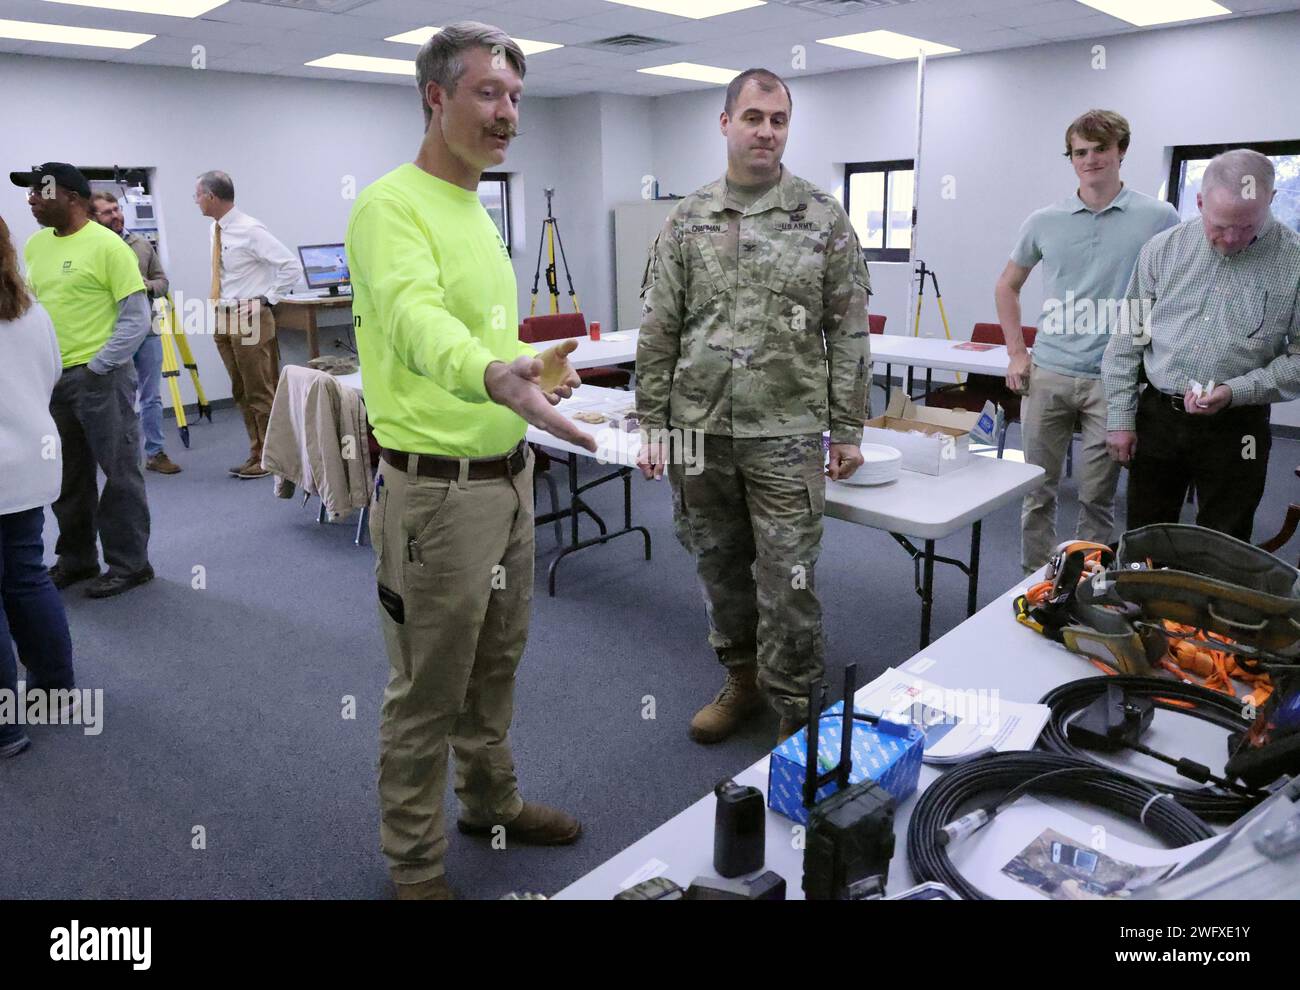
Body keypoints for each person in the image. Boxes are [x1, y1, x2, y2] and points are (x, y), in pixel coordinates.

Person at [346, 21, 598, 901]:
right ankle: (414, 870)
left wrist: (529, 366)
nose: (508, 115)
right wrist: (493, 373)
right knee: (426, 692)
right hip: (438, 501)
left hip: (508, 482)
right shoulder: (391, 205)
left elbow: (482, 333)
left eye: (517, 97)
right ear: (436, 96)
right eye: (490, 93)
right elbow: (417, 322)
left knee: (495, 666)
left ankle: (492, 803)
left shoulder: (478, 210)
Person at [636, 68, 872, 745]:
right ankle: (742, 682)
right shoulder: (688, 219)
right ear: (725, 123)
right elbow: (660, 327)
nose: (766, 130)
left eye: (778, 119)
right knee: (718, 567)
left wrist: (849, 427)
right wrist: (653, 425)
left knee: (788, 581)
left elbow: (849, 330)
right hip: (699, 431)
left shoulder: (822, 216)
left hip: (788, 433)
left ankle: (796, 711)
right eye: (753, 117)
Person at [995, 110, 1179, 574]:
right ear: (1071, 158)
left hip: (1112, 380)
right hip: (1050, 373)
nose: (1091, 159)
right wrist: (1018, 351)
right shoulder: (1045, 220)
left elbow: (1173, 291)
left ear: (1121, 151)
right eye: (1081, 152)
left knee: (1098, 497)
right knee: (1036, 489)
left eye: (1101, 149)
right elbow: (1006, 287)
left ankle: (1083, 583)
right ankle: (1033, 582)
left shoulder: (1159, 218)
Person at [1103, 148, 1300, 540]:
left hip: (1238, 427)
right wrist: (1120, 419)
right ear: (1198, 202)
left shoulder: (1293, 261)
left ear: (1271, 201)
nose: (1231, 239)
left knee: (1223, 541)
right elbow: (1127, 337)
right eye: (1221, 224)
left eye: (1246, 227)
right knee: (1146, 534)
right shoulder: (1161, 250)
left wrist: (1233, 391)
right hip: (1159, 417)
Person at [11, 162, 154, 599]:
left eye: (40, 192)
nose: (31, 199)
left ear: (71, 197)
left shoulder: (107, 246)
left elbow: (136, 318)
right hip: (51, 383)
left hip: (101, 379)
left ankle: (131, 565)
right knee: (68, 477)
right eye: (30, 192)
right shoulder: (35, 247)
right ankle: (77, 559)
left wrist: (97, 367)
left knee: (119, 474)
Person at [0, 213, 79, 757]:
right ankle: (55, 692)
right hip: (29, 463)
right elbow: (49, 375)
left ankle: (5, 729)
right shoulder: (32, 313)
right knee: (26, 576)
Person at [194, 169, 302, 479]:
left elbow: (289, 266)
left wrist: (266, 299)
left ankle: (271, 456)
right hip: (224, 316)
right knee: (240, 390)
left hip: (250, 319)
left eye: (198, 195)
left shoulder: (250, 229)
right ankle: (256, 450)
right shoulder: (216, 229)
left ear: (212, 197)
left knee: (260, 391)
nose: (196, 201)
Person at [90, 190, 180, 475]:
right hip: (112, 333)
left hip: (148, 329)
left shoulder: (141, 244)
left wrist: (146, 285)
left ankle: (155, 453)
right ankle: (120, 458)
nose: (115, 215)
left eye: (117, 209)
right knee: (119, 398)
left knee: (151, 395)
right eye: (107, 212)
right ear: (94, 217)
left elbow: (162, 282)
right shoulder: (92, 249)